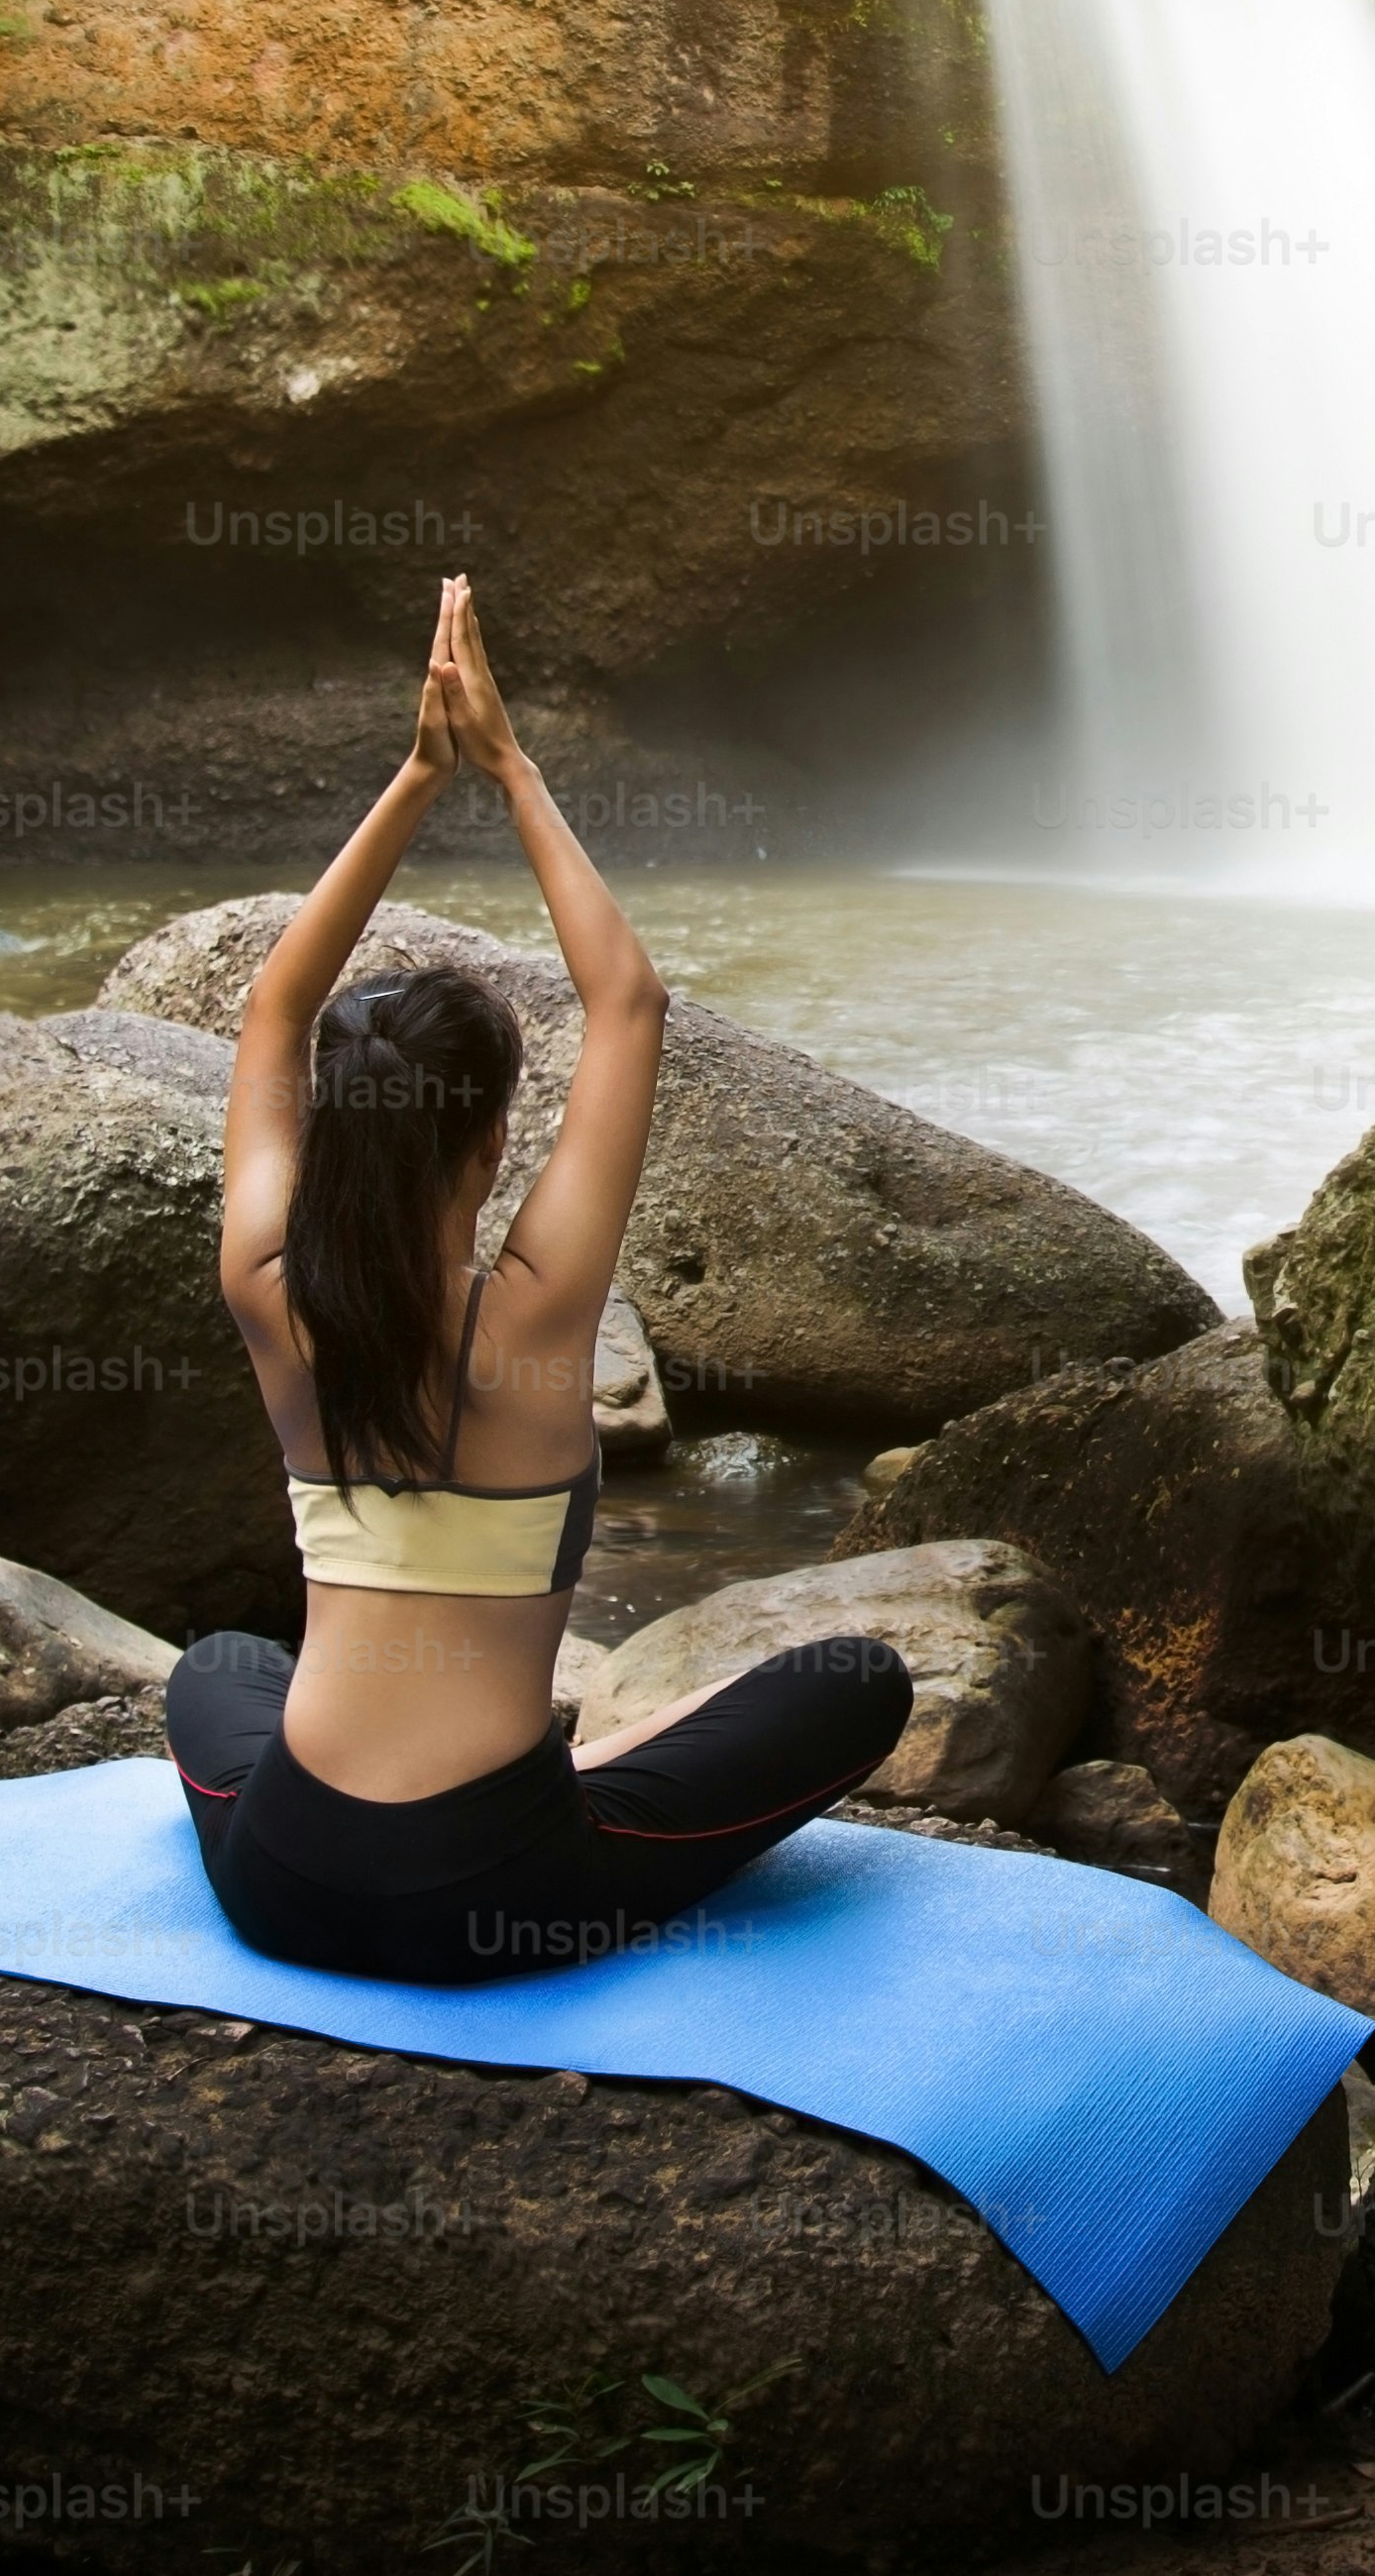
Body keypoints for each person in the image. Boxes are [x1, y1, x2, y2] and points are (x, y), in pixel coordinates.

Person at [161, 577, 907, 1981]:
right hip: (488, 1892)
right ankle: (578, 1766)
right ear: (497, 1131)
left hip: (285, 1876)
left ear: (333, 1118)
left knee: (216, 1670)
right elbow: (627, 997)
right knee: (856, 1684)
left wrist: (411, 778)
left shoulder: (265, 1279)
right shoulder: (535, 1312)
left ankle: (547, 1768)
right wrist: (504, 767)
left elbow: (272, 1004)